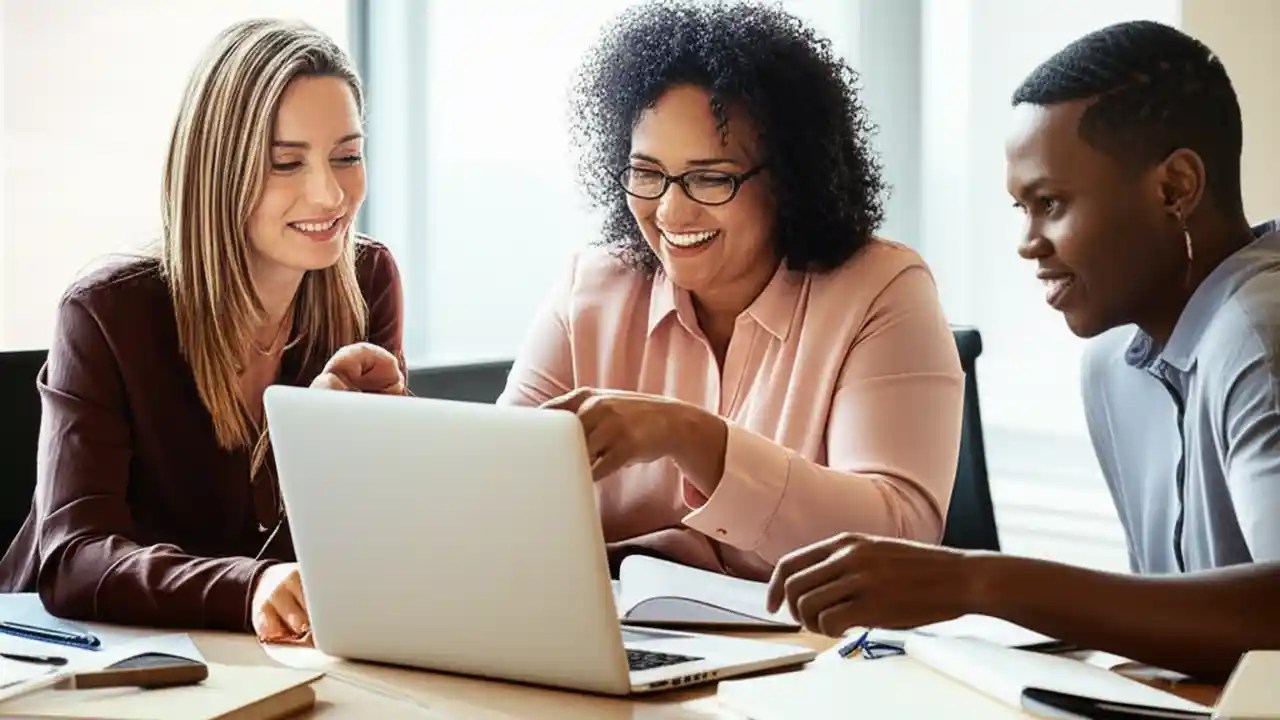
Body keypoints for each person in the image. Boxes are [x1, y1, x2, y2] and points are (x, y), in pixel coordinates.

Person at [765, 19, 1280, 680]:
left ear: (1175, 187)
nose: (1028, 242)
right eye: (1021, 208)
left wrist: (975, 582)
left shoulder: (1259, 337)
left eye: (1051, 202)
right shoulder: (1111, 363)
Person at [496, 0, 963, 580]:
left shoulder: (880, 291)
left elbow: (899, 538)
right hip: (611, 626)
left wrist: (692, 439)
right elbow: (501, 486)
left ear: (791, 178)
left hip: (803, 636)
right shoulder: (588, 291)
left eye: (710, 178)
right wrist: (406, 429)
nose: (671, 210)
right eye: (647, 173)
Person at [0, 19, 406, 645]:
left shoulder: (367, 280)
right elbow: (73, 559)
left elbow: (373, 547)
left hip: (265, 661)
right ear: (218, 170)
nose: (330, 195)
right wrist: (250, 587)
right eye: (286, 163)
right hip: (83, 659)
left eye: (347, 157)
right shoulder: (107, 314)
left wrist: (361, 450)